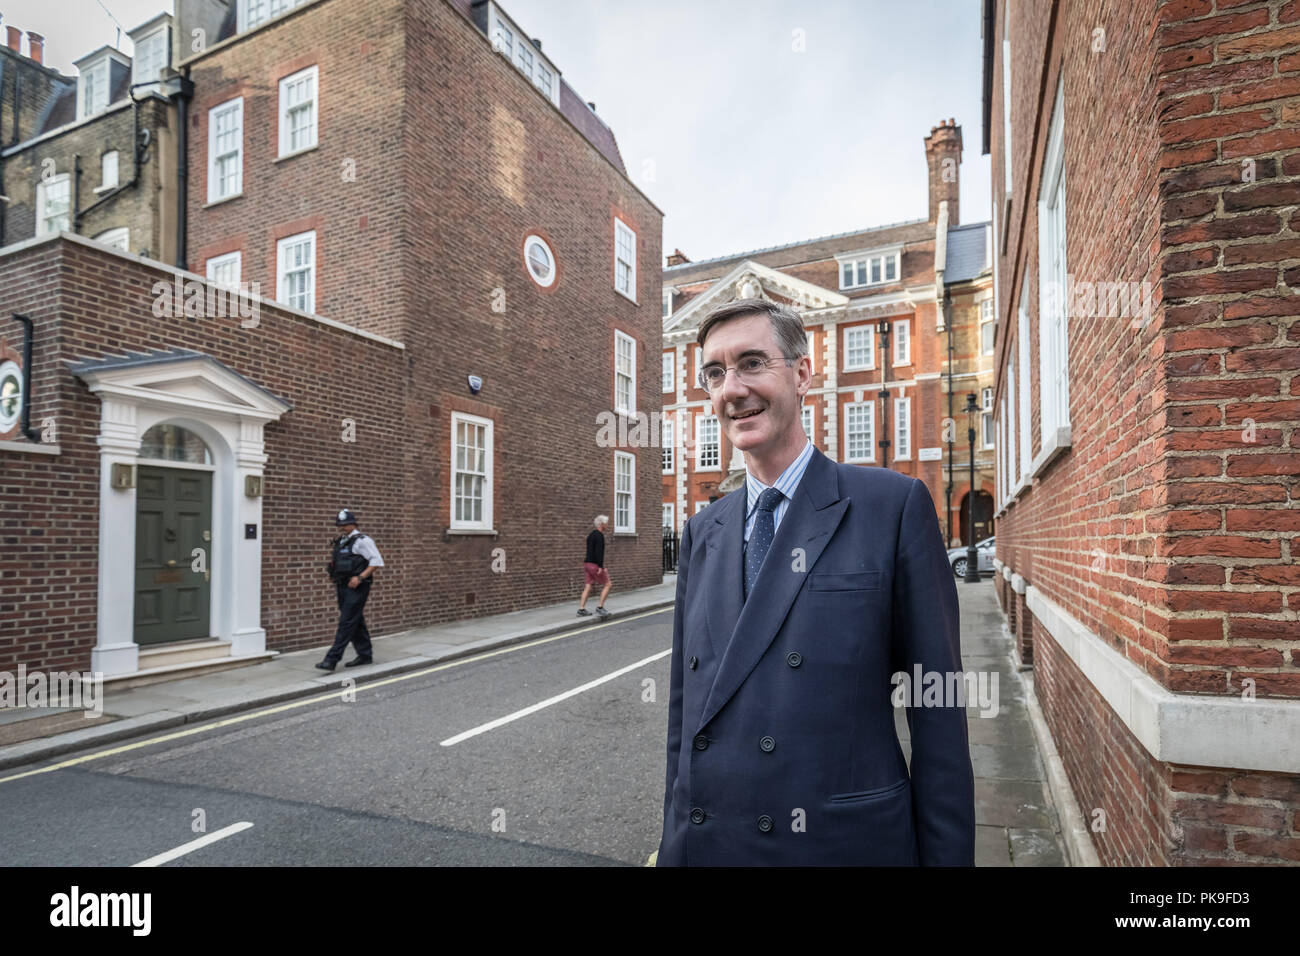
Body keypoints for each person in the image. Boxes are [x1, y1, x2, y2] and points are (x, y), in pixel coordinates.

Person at [657, 297, 975, 866]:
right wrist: (674, 847)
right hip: (714, 845)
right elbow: (685, 719)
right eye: (715, 372)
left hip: (839, 846)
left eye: (752, 363)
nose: (732, 388)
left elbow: (938, 712)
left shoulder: (891, 507)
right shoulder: (703, 530)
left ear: (802, 373)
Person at [316, 509, 384, 671]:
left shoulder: (363, 540)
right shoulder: (342, 541)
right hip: (343, 585)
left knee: (346, 621)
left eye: (345, 525)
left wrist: (360, 577)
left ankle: (331, 659)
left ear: (353, 524)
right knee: (355, 619)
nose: (342, 528)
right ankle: (365, 655)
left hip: (358, 586)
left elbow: (377, 561)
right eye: (340, 525)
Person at [577, 515, 612, 619]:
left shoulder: (591, 535)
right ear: (602, 524)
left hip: (587, 564)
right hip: (594, 565)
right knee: (608, 584)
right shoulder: (599, 536)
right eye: (606, 523)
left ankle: (581, 609)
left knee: (588, 586)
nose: (607, 525)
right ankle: (600, 607)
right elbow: (599, 552)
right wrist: (601, 566)